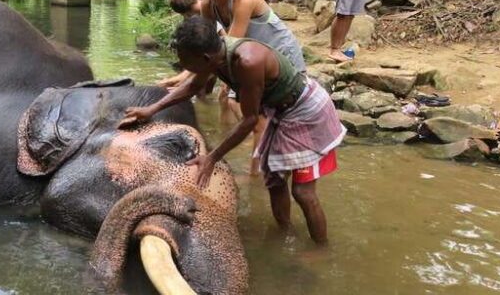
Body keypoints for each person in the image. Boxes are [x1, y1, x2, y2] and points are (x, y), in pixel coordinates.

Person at [120, 16, 345, 245]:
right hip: (281, 112)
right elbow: (193, 86)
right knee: (274, 180)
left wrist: (212, 157)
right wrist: (152, 109)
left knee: (302, 192)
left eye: (185, 62)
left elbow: (249, 121)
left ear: (205, 58)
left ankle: (321, 248)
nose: (183, 67)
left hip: (306, 111)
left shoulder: (247, 62)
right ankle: (285, 234)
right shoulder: (215, 58)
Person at [189, 0, 307, 175]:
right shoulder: (208, 7)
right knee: (226, 98)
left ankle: (257, 176)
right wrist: (183, 77)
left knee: (258, 118)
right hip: (253, 55)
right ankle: (239, 147)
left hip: (281, 55)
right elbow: (208, 50)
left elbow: (227, 49)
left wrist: (189, 77)